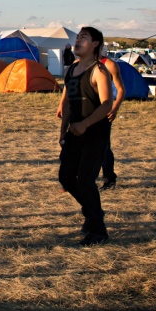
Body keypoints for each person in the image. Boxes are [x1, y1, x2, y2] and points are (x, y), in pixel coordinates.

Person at [58, 26, 113, 246]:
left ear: (96, 44)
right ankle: (93, 211)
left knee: (86, 180)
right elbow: (69, 104)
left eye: (84, 38)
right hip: (74, 133)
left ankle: (98, 231)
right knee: (66, 178)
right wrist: (63, 131)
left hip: (95, 134)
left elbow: (107, 103)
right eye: (78, 37)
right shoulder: (71, 70)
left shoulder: (99, 70)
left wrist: (85, 124)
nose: (78, 40)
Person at [99, 48, 125, 190]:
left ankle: (109, 179)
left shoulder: (109, 64)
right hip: (84, 111)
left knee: (103, 147)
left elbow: (121, 89)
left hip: (103, 111)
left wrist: (114, 109)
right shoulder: (79, 63)